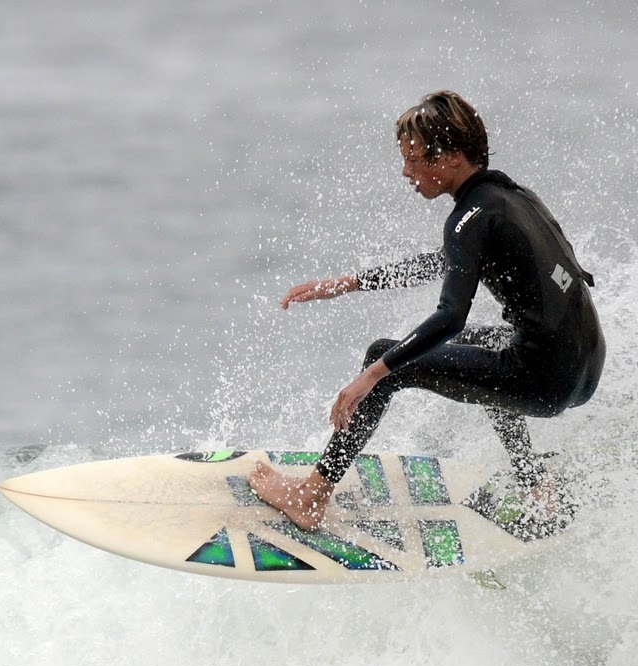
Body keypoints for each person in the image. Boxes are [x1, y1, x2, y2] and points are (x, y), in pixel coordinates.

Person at [248, 89, 604, 531]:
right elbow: (449, 263)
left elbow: (449, 315)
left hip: (544, 380)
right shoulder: (510, 198)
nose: (406, 171)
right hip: (584, 371)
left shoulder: (467, 219)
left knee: (388, 356)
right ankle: (532, 478)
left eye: (416, 159)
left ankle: (311, 496)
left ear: (453, 157)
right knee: (485, 343)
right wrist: (349, 284)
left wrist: (372, 374)